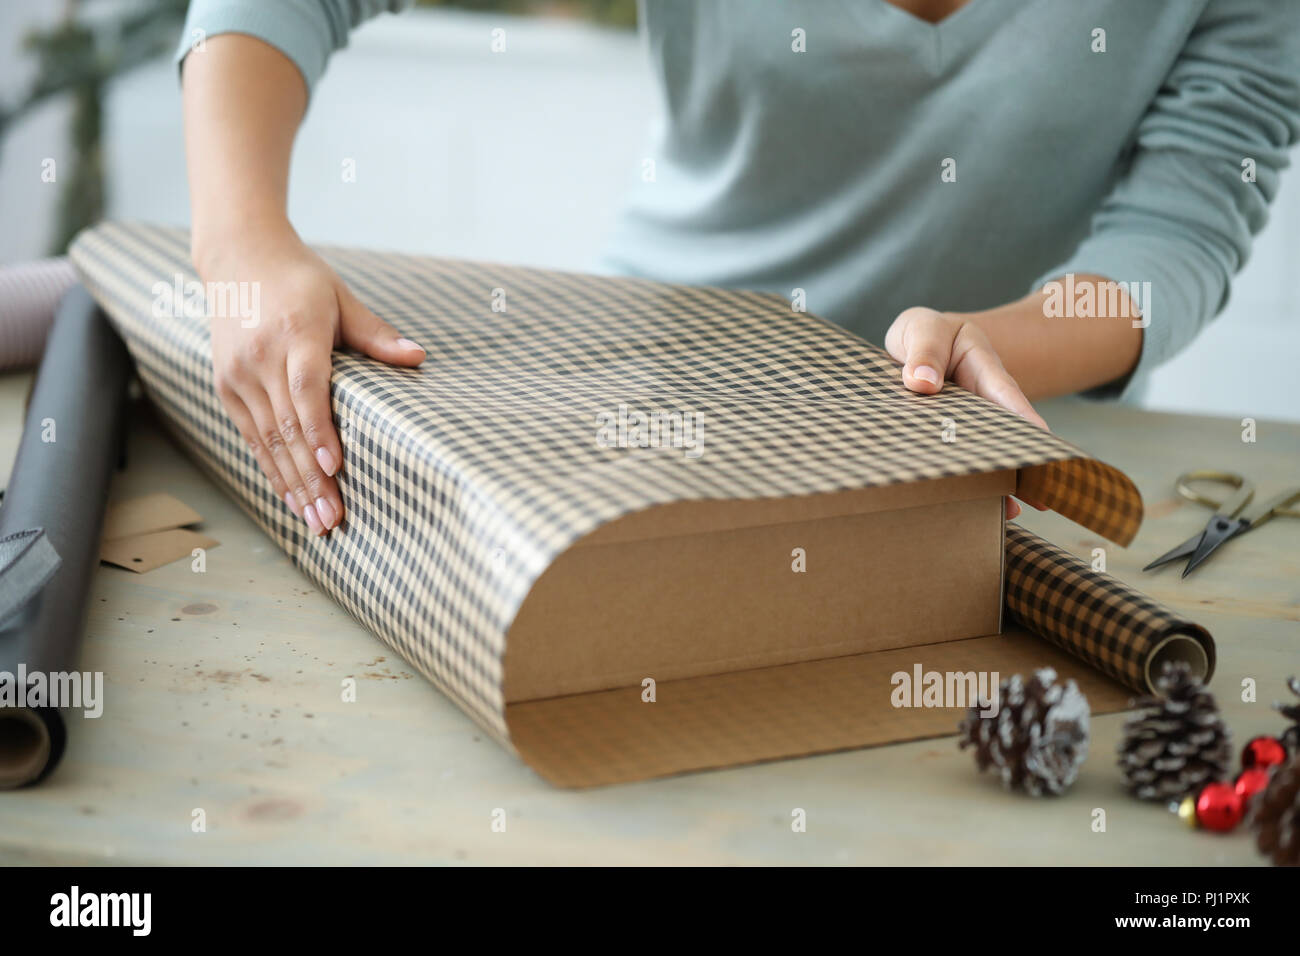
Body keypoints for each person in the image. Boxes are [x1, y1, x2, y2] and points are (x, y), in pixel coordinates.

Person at [176, 0, 1300, 535]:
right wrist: (242, 246)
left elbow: (1185, 224)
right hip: (646, 406)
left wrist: (1003, 340)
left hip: (1001, 454)